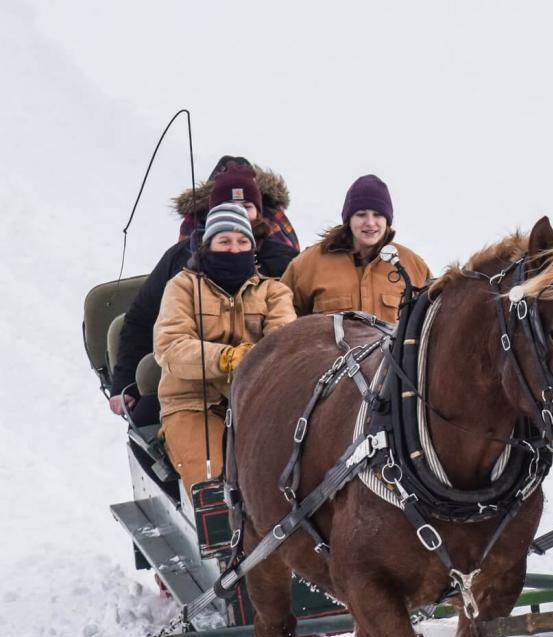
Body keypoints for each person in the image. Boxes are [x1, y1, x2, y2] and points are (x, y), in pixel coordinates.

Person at [109, 159, 298, 424]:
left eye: (247, 207)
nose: (239, 213)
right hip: (193, 382)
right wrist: (124, 381)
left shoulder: (284, 260)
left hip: (261, 383)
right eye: (229, 207)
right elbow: (142, 318)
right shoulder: (181, 260)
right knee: (146, 423)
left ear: (259, 211)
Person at [153, 203, 296, 497]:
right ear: (207, 244)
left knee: (290, 480)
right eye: (225, 241)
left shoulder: (274, 290)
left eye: (242, 241)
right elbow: (171, 346)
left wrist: (255, 361)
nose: (234, 249)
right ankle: (220, 543)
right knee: (216, 487)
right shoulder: (182, 287)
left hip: (257, 403)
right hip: (193, 403)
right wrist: (227, 358)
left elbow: (284, 343)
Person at [282, 174, 430, 324]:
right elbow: (279, 323)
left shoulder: (413, 267)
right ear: (349, 219)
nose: (370, 222)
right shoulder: (308, 265)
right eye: (361, 215)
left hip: (390, 349)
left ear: (387, 220)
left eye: (378, 215)